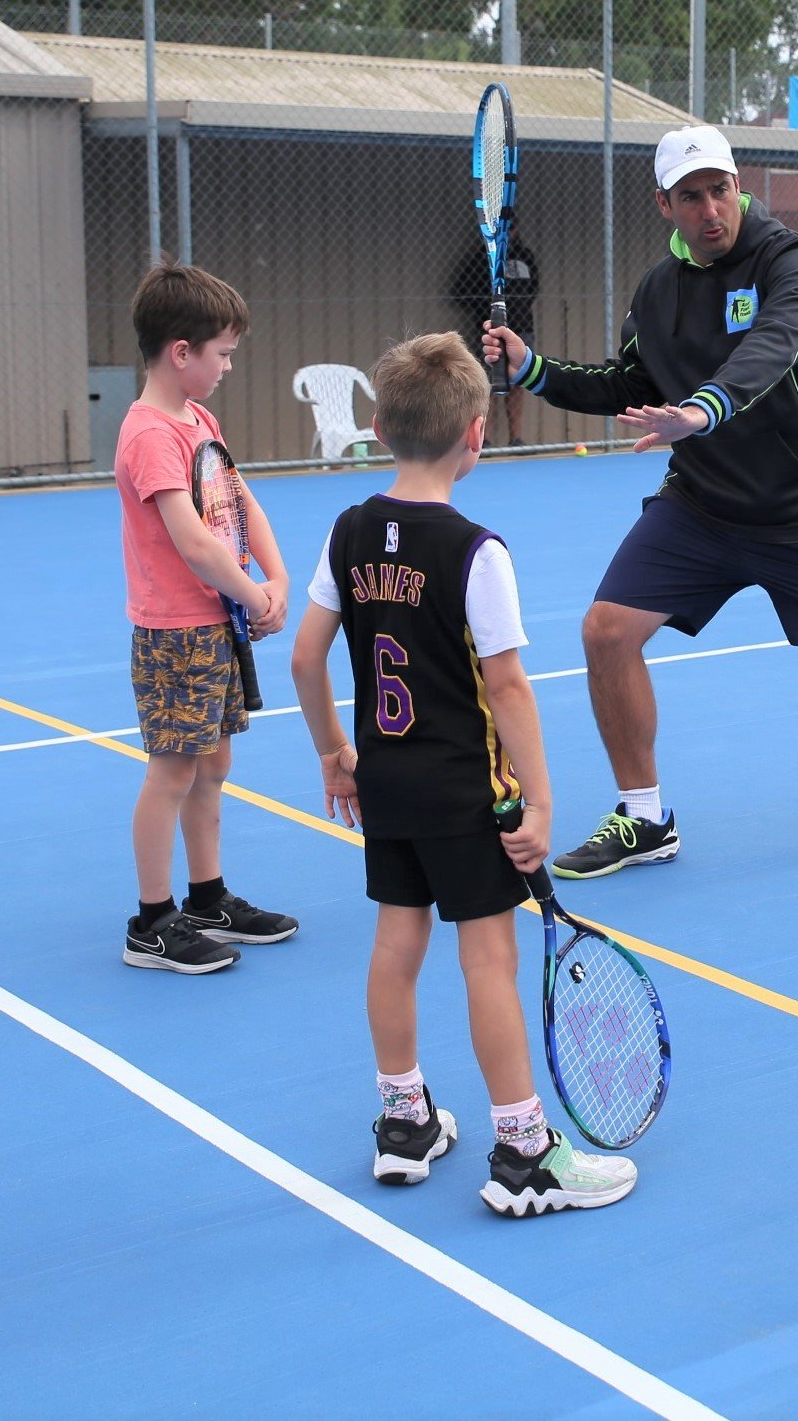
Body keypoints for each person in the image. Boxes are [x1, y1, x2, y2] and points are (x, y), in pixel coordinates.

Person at [479, 125, 798, 878]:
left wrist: (700, 411)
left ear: (737, 185)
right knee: (605, 631)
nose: (710, 208)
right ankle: (645, 815)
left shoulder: (791, 259)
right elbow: (629, 385)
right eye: (691, 196)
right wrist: (534, 370)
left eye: (719, 188)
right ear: (665, 204)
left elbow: (774, 346)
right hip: (700, 507)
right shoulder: (657, 294)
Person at [291, 333, 639, 1216]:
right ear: (476, 436)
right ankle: (524, 1152)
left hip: (387, 783)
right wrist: (545, 796)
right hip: (463, 790)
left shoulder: (349, 529)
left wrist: (337, 752)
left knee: (394, 946)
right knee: (488, 956)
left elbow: (305, 658)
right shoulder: (476, 550)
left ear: (376, 425)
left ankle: (404, 1121)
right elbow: (507, 684)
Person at [113, 262, 297, 974]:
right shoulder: (149, 435)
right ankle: (153, 923)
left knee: (212, 762)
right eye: (221, 353)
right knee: (173, 770)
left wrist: (274, 575)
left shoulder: (200, 420)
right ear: (180, 351)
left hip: (216, 623)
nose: (227, 366)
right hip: (176, 630)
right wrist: (253, 597)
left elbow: (239, 502)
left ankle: (207, 897)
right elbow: (192, 538)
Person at [448, 235, 540, 447]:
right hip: (494, 331)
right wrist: (487, 311)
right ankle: (484, 440)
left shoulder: (525, 256)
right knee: (489, 382)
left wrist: (518, 309)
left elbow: (534, 288)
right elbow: (461, 291)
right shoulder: (483, 258)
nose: (511, 232)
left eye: (513, 227)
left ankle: (516, 439)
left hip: (523, 328)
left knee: (519, 381)